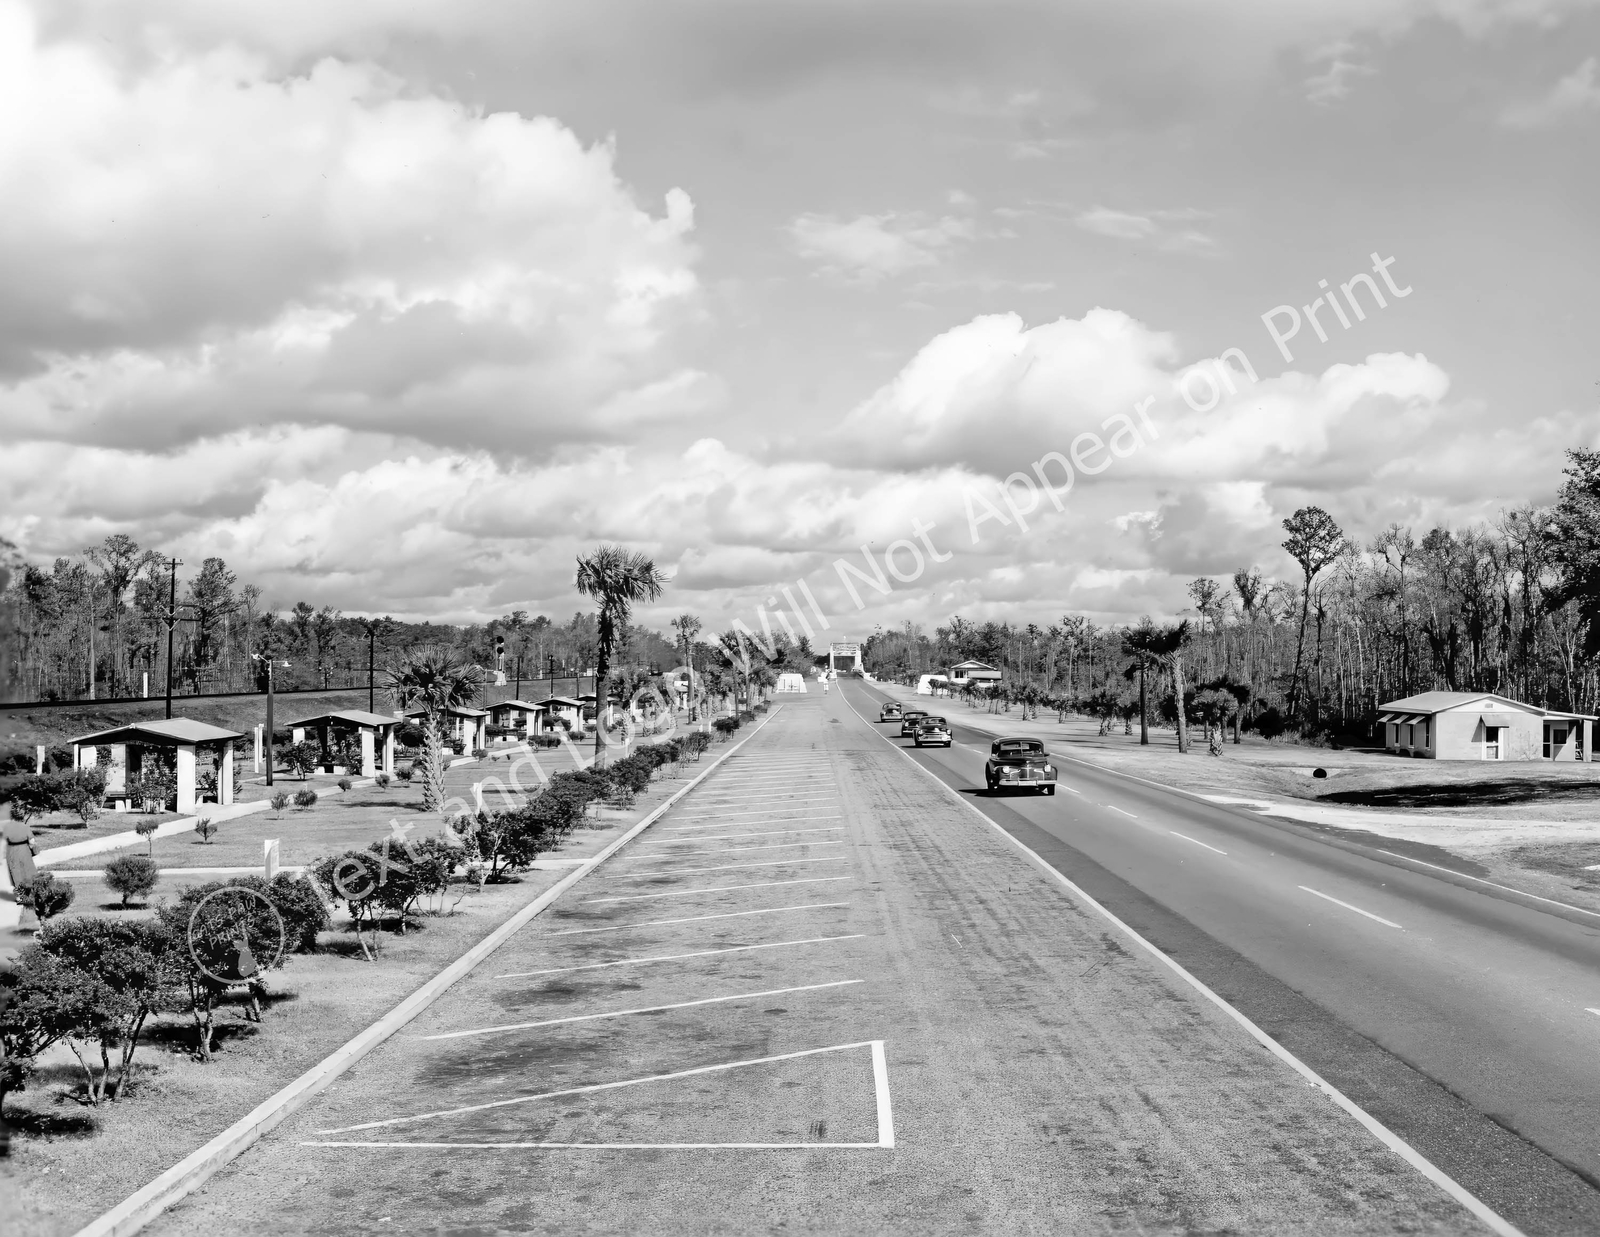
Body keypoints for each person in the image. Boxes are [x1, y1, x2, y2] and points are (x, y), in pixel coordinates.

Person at [4, 814, 39, 932]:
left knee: (16, 873)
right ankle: (31, 893)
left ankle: (19, 896)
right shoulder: (25, 827)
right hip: (24, 850)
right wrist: (33, 850)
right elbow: (32, 841)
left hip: (12, 852)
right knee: (28, 871)